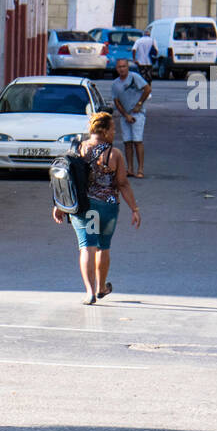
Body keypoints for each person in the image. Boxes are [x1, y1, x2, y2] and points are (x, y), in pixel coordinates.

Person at [51, 112, 141, 304]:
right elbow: (123, 184)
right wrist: (134, 209)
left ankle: (90, 292)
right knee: (103, 247)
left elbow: (67, 178)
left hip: (86, 208)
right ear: (106, 130)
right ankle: (101, 287)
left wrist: (60, 205)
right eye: (113, 128)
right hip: (108, 209)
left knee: (87, 247)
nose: (114, 132)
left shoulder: (78, 149)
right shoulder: (114, 154)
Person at [110, 58, 151, 178]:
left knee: (137, 141)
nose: (122, 69)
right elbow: (116, 102)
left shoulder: (134, 77)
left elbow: (147, 89)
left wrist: (139, 104)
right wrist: (125, 115)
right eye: (119, 67)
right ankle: (130, 169)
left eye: (124, 66)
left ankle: (140, 169)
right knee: (127, 142)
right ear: (116, 69)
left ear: (127, 67)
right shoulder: (115, 84)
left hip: (138, 113)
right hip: (125, 115)